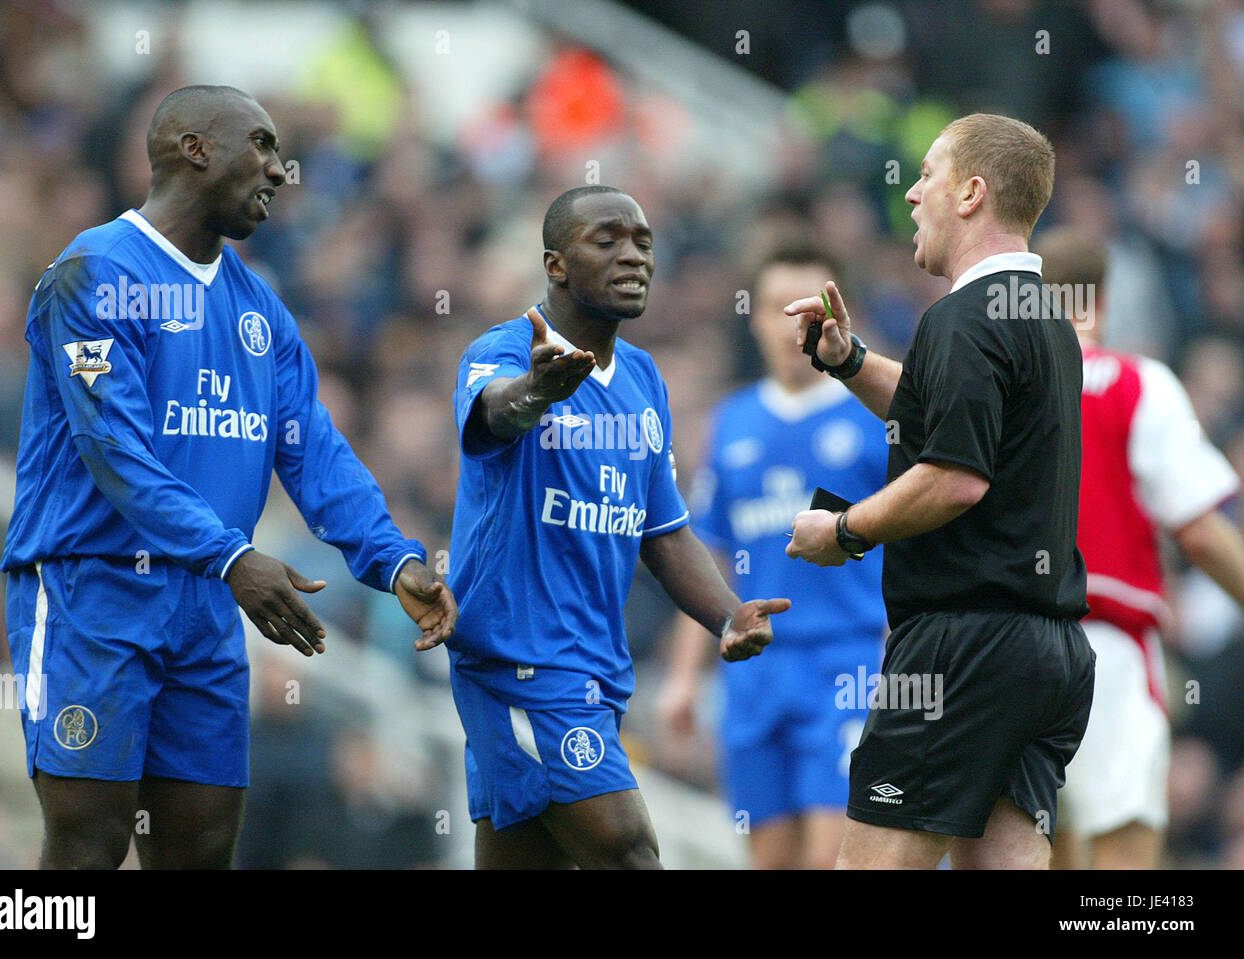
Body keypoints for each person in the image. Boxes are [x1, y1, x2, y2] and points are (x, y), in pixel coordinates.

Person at [0, 85, 458, 869]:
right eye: (263, 146)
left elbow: (312, 449)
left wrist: (392, 558)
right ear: (195, 149)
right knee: (86, 847)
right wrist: (234, 556)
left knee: (203, 850)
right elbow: (112, 448)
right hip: (91, 593)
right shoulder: (96, 273)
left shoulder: (261, 312)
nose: (281, 170)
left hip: (206, 604)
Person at [446, 185, 791, 869]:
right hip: (519, 661)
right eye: (607, 240)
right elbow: (492, 415)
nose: (633, 255)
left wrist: (727, 613)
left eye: (642, 241)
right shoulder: (507, 351)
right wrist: (537, 392)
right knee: (627, 846)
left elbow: (662, 531)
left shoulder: (642, 378)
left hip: (597, 671)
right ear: (556, 264)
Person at [785, 113, 1094, 869]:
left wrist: (845, 532)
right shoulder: (1044, 318)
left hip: (960, 649)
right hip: (1048, 655)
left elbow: (955, 474)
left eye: (927, 175)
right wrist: (850, 359)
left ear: (971, 194)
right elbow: (948, 422)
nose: (913, 193)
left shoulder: (961, 320)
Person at [656, 245, 888, 869]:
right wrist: (683, 678)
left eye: (806, 311)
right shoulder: (732, 422)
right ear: (753, 318)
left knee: (831, 861)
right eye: (774, 309)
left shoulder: (874, 416)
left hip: (847, 664)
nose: (791, 329)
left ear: (836, 317)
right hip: (754, 675)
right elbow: (707, 555)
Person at [1033, 226, 1244, 869]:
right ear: (1102, 296)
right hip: (1107, 651)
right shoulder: (1136, 384)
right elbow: (1200, 530)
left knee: (1034, 849)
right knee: (1121, 869)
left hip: (1003, 650)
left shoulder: (992, 393)